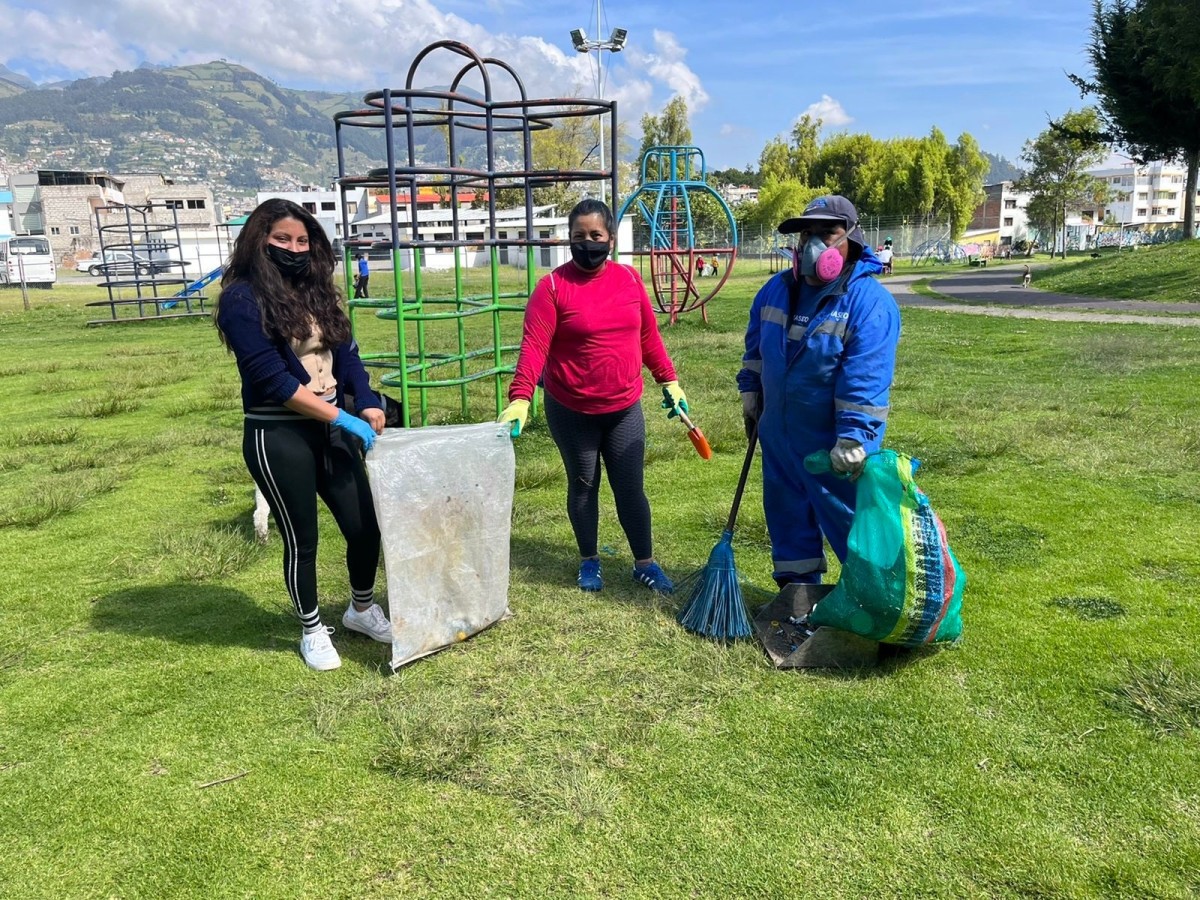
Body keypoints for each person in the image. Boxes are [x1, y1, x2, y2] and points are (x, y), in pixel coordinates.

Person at [215, 198, 391, 671]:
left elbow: (347, 354)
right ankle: (313, 629)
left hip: (331, 427)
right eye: (282, 240)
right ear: (259, 242)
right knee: (302, 538)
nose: (294, 248)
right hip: (279, 434)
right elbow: (273, 380)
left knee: (364, 526)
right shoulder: (241, 298)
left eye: (302, 240)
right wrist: (341, 420)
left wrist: (367, 400)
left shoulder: (320, 291)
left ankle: (360, 608)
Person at [498, 198, 687, 595]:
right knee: (583, 483)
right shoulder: (551, 287)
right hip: (571, 409)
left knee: (631, 487)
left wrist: (668, 380)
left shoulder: (630, 281)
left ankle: (645, 564)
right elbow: (534, 346)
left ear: (611, 239)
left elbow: (648, 336)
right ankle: (589, 561)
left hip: (623, 408)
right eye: (578, 236)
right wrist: (521, 397)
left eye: (595, 235)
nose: (587, 243)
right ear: (569, 239)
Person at [738, 195, 900, 589]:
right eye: (807, 233)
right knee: (787, 514)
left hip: (837, 443)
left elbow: (866, 375)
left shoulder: (869, 302)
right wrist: (750, 392)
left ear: (852, 239)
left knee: (851, 521)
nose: (814, 243)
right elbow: (756, 351)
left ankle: (875, 599)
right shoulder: (775, 291)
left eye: (828, 233)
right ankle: (798, 593)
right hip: (779, 433)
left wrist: (854, 436)